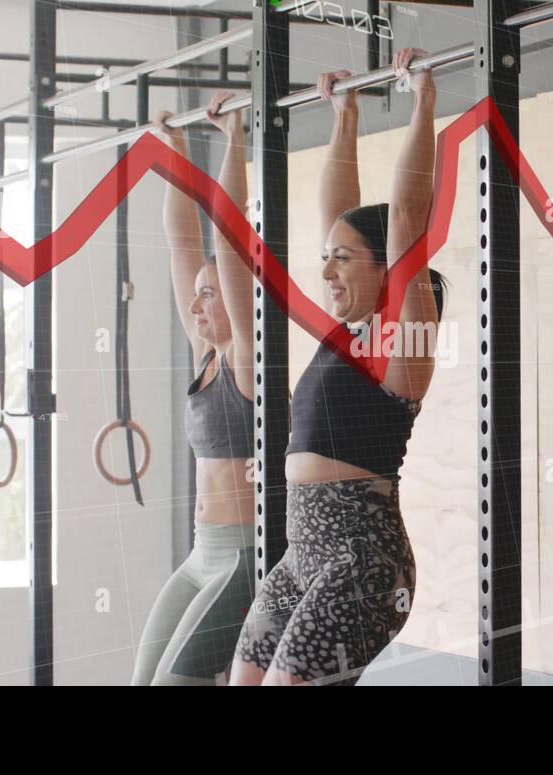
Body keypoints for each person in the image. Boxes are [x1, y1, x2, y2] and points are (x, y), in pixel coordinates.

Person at [230, 49, 448, 686]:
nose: (326, 272)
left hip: (363, 558)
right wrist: (344, 117)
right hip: (302, 553)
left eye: (343, 260)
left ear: (387, 267)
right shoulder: (344, 334)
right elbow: (339, 214)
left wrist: (422, 98)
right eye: (327, 259)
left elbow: (407, 216)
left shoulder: (400, 334)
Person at [131, 91, 256, 685]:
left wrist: (235, 140)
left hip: (242, 555)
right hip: (200, 553)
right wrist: (175, 152)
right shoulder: (205, 354)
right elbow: (183, 242)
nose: (198, 301)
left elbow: (229, 243)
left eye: (213, 292)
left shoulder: (246, 361)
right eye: (198, 293)